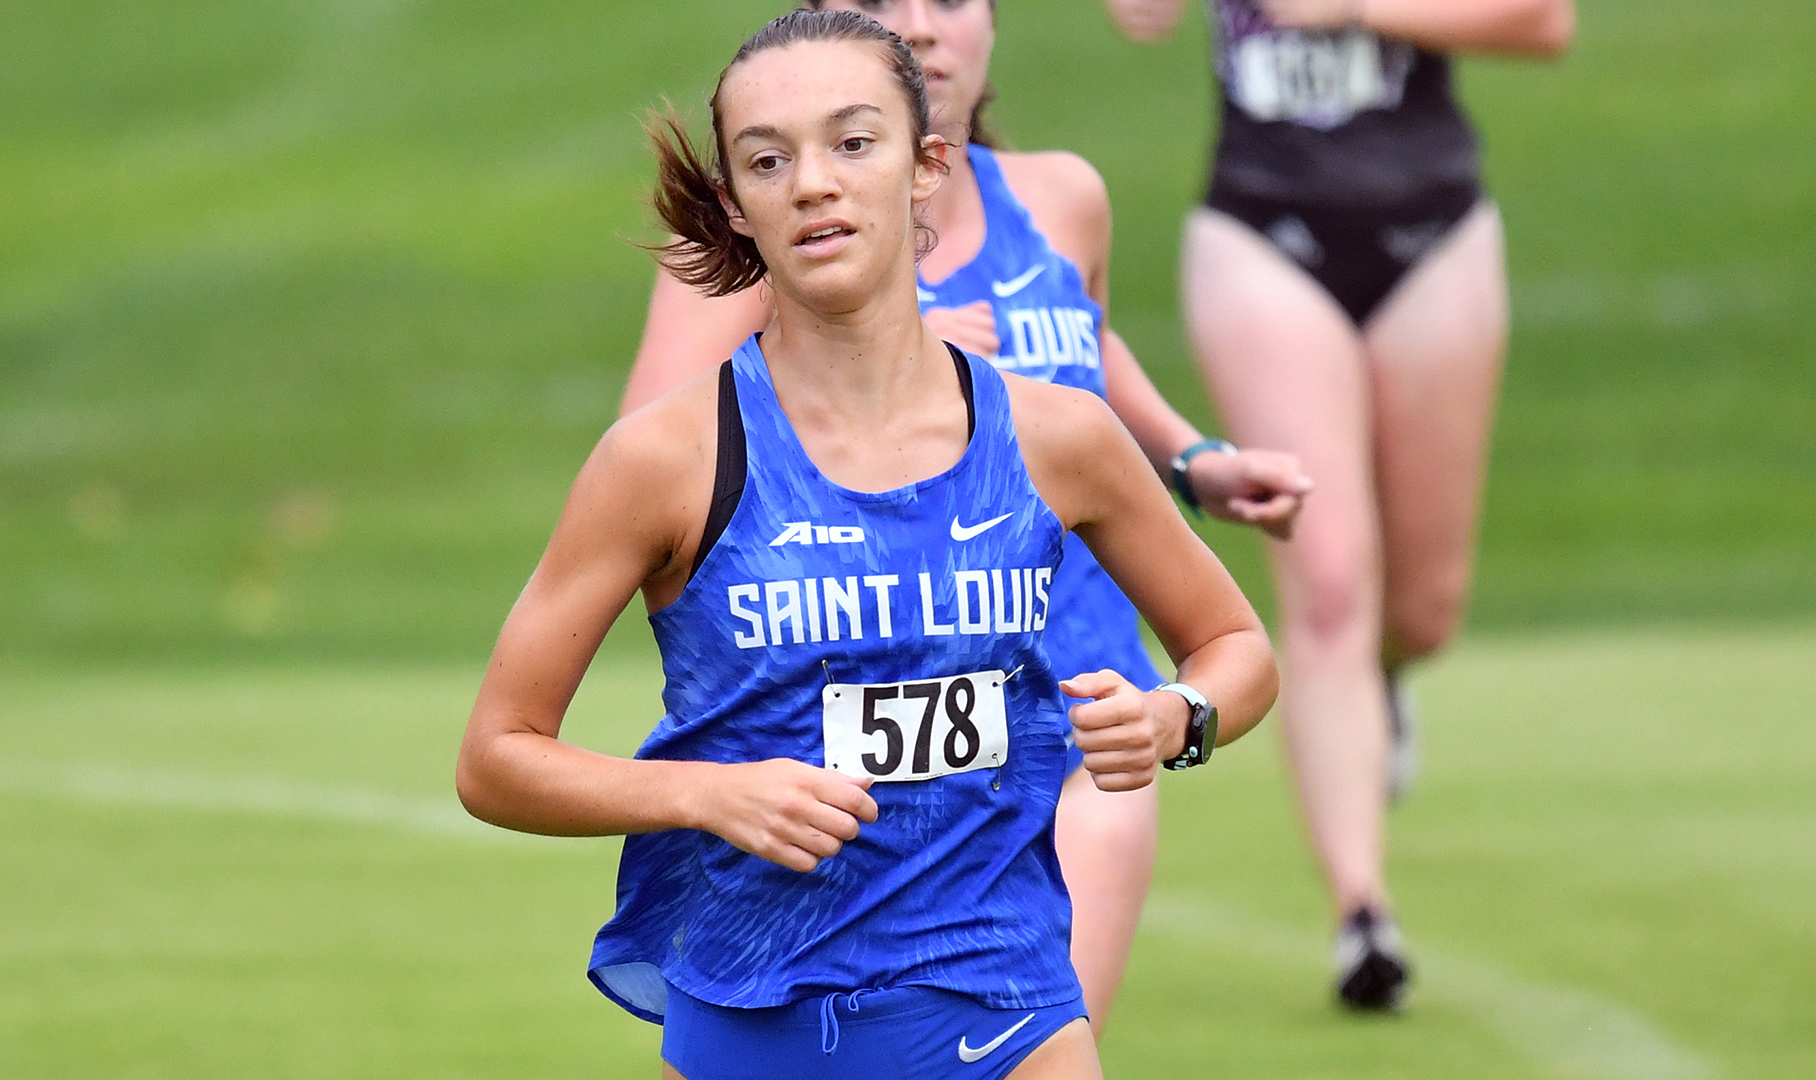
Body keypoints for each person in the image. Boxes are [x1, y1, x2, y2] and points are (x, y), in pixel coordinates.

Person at [456, 10, 1277, 1078]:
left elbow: (1236, 647)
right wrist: (708, 793)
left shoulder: (1057, 436)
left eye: (854, 142)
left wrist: (1178, 715)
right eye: (767, 160)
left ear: (926, 165)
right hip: (754, 1018)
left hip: (1004, 1004)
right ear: (736, 208)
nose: (813, 183)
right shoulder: (664, 460)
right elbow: (497, 757)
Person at [1103, 0, 1575, 1010]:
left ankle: (1386, 679)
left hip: (1433, 228)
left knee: (1421, 611)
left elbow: (1545, 21)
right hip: (1262, 228)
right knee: (1325, 580)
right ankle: (1363, 914)